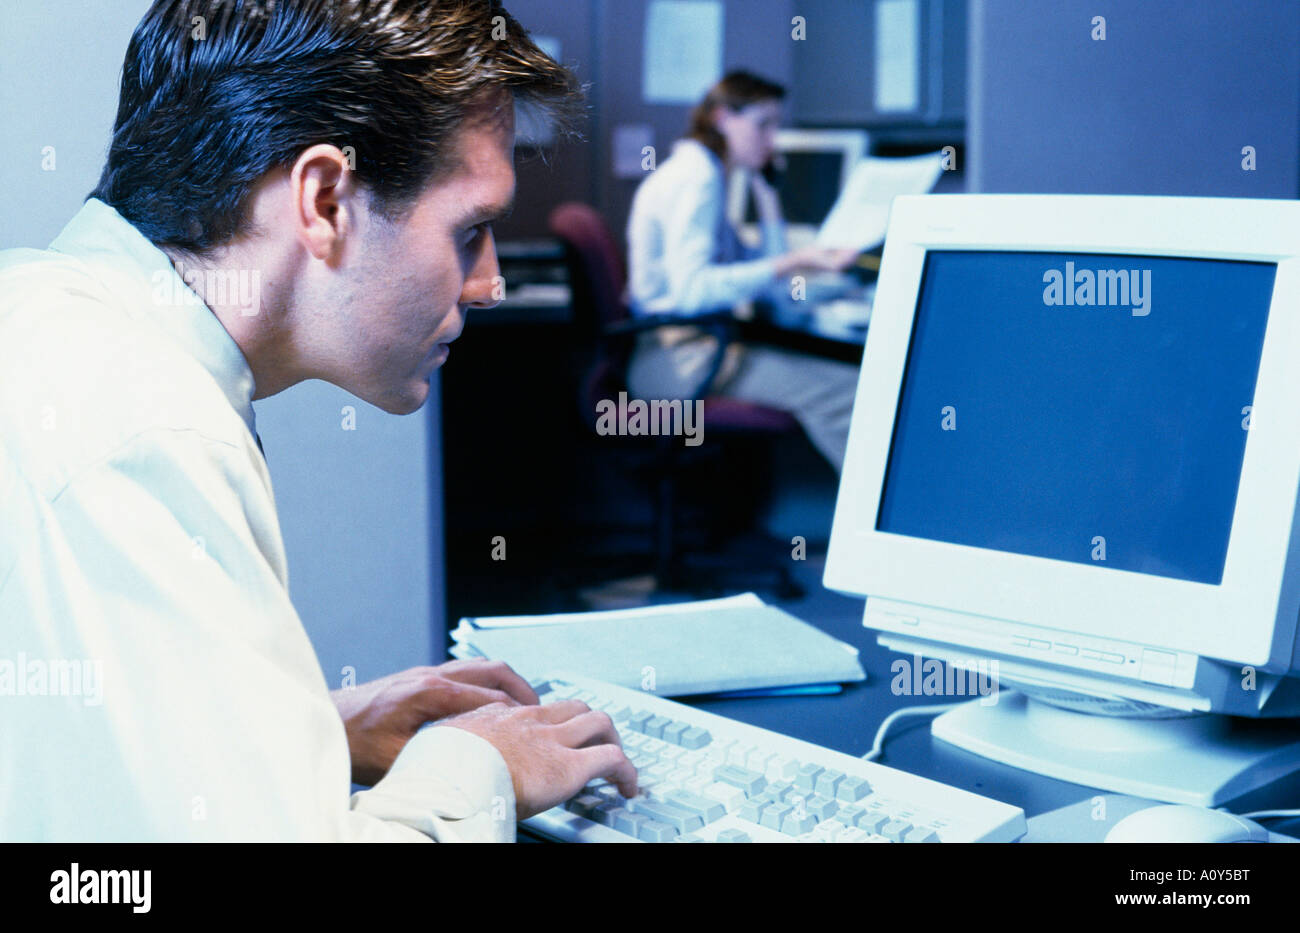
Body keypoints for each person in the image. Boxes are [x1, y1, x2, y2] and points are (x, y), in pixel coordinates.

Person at [0, 0, 635, 842]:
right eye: (471, 231)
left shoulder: (42, 313)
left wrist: (314, 725)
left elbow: (74, 771)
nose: (487, 285)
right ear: (326, 199)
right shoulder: (145, 430)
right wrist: (478, 769)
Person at [625, 72, 863, 471]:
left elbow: (765, 283)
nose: (772, 140)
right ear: (722, 118)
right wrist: (792, 262)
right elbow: (692, 291)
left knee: (839, 380)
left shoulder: (707, 174)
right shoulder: (697, 177)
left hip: (693, 351)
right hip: (676, 361)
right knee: (849, 391)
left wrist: (767, 193)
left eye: (777, 126)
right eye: (762, 124)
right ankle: (878, 527)